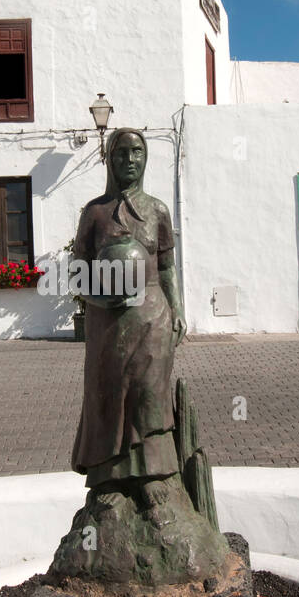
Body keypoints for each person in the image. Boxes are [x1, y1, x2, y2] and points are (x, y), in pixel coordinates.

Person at [70, 127, 186, 490]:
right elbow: (77, 274)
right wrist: (101, 298)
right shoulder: (95, 213)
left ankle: (156, 482)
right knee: (109, 396)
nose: (129, 160)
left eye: (136, 152)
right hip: (108, 322)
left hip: (152, 316)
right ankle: (109, 482)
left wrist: (178, 309)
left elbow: (167, 266)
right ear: (110, 159)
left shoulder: (157, 210)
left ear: (146, 157)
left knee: (149, 395)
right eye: (121, 153)